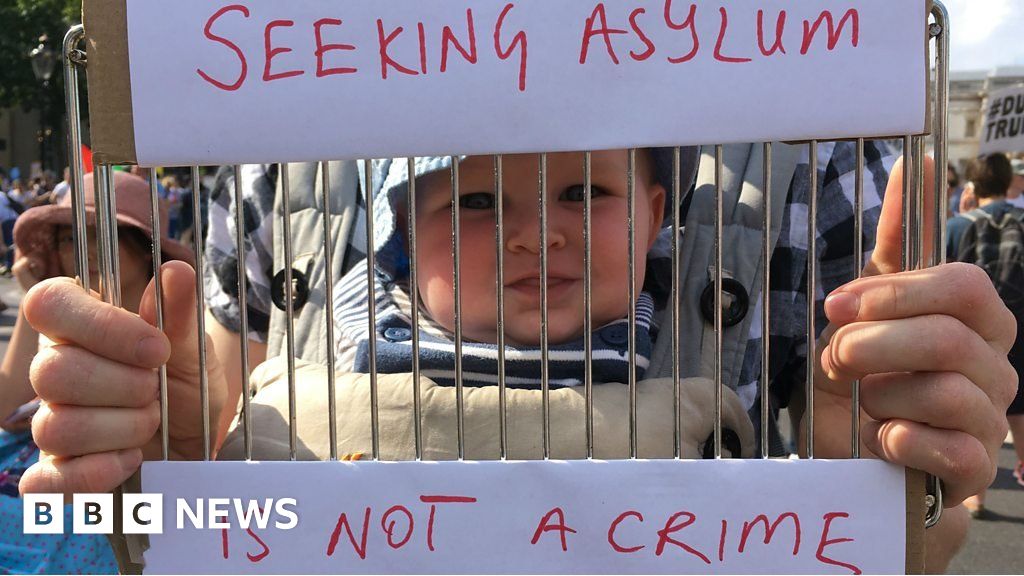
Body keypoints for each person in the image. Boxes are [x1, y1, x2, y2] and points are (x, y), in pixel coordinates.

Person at [14, 143, 1016, 572]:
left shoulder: (810, 143)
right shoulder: (274, 123)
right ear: (395, 231)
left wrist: (879, 498)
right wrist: (152, 483)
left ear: (662, 213)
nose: (540, 238)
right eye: (479, 204)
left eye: (588, 195)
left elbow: (913, 544)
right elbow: (165, 507)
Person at [0, 170, 193, 574]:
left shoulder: (177, 324)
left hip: (119, 501)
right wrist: (32, 300)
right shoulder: (56, 315)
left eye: (103, 233)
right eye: (71, 237)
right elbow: (5, 404)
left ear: (144, 248)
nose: (84, 250)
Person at [947, 153, 1024, 518]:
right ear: (1009, 180)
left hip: (972, 332)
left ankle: (977, 496)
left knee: (978, 409)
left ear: (974, 184)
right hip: (1020, 324)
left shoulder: (959, 225)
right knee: (1022, 411)